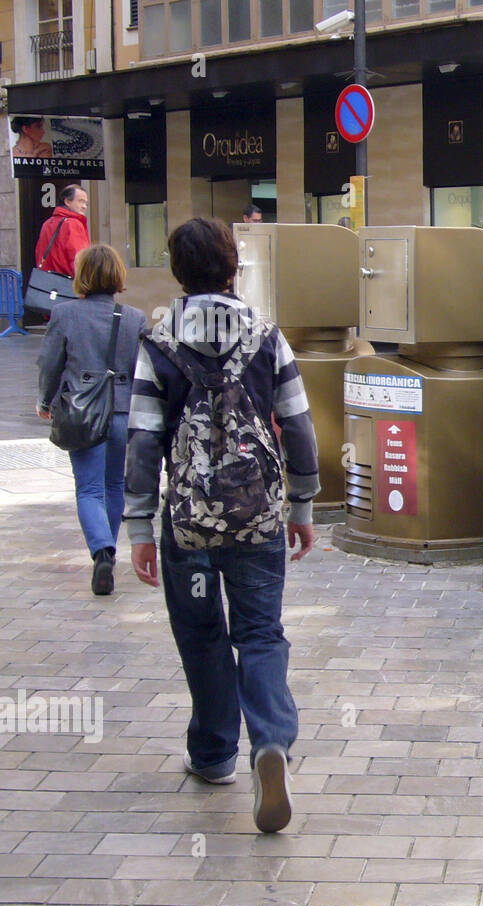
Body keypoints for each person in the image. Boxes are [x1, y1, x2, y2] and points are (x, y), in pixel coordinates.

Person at [124, 217, 319, 833]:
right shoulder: (266, 335)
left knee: (202, 635)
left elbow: (143, 439)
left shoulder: (157, 338)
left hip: (188, 525)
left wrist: (136, 527)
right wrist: (303, 505)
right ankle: (270, 741)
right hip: (257, 516)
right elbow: (299, 423)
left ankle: (213, 756)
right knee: (260, 633)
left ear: (178, 271)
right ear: (233, 267)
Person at [35, 245, 151, 596]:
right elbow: (142, 370)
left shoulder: (65, 314)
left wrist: (45, 401)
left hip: (82, 412)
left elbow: (50, 363)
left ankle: (102, 551)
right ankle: (109, 550)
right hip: (121, 409)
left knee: (88, 488)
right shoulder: (134, 318)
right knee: (115, 485)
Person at [34, 184, 91, 283]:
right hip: (68, 286)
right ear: (67, 201)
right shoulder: (73, 224)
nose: (84, 207)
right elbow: (80, 259)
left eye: (86, 203)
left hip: (46, 285)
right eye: (81, 201)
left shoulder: (47, 223)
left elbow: (39, 253)